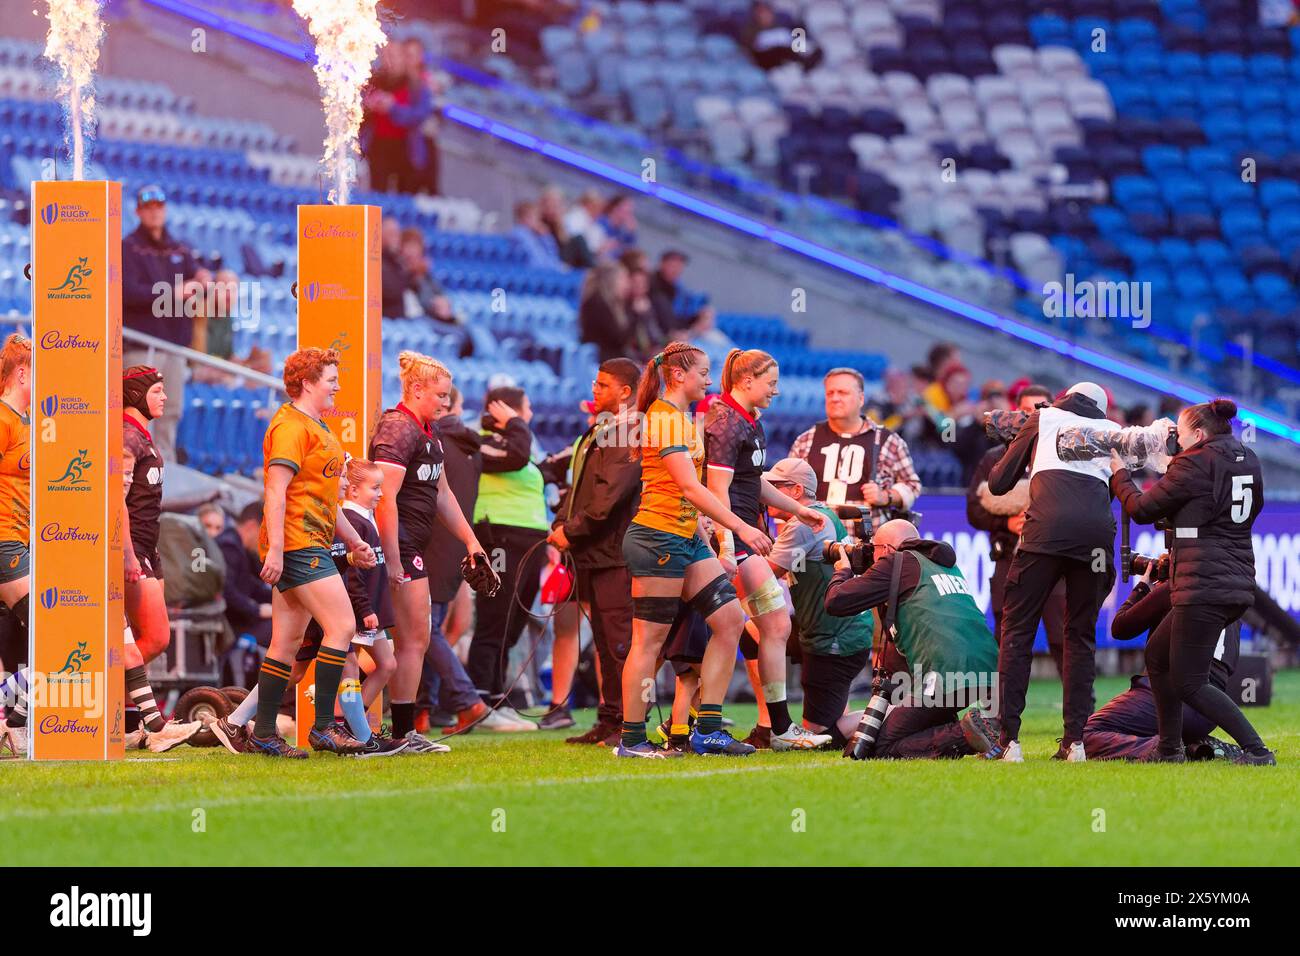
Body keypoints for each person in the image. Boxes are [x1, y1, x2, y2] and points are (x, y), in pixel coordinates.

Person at [617, 341, 773, 758]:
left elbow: (688, 496)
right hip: (657, 539)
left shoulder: (683, 417)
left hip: (684, 537)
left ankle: (707, 730)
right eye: (704, 372)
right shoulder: (664, 418)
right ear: (678, 376)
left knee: (729, 621)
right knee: (648, 642)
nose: (710, 379)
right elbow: (689, 487)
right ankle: (631, 739)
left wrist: (708, 543)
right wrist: (739, 527)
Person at [1109, 398, 1275, 765]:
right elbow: (1234, 505)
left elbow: (1140, 509)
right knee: (1157, 655)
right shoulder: (1246, 458)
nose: (1177, 442)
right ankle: (1169, 749)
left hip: (1204, 584)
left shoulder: (1195, 462)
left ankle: (1257, 751)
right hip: (1233, 578)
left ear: (1198, 434)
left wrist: (1119, 472)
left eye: (1181, 436)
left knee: (1188, 680)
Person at [246, 347, 378, 757]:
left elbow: (324, 497)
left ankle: (263, 732)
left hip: (310, 541)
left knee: (285, 643)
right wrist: (278, 551)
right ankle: (323, 728)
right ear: (307, 383)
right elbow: (275, 491)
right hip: (300, 544)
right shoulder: (290, 426)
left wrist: (353, 540)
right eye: (331, 379)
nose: (338, 386)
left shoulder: (316, 424)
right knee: (341, 626)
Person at [703, 349, 831, 750]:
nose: (776, 391)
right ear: (746, 381)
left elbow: (752, 481)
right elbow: (717, 490)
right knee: (744, 628)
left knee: (773, 625)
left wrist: (797, 509)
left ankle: (776, 727)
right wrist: (727, 544)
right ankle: (686, 725)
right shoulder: (724, 421)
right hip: (730, 537)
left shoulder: (747, 420)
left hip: (740, 535)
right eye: (771, 383)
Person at [987, 381, 1120, 762]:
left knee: (1017, 631)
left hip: (1044, 534)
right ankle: (1075, 742)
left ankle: (1007, 741)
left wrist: (1025, 449)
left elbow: (998, 483)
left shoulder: (1042, 418)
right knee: (1079, 637)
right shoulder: (1112, 432)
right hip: (1095, 539)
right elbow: (1112, 492)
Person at [371, 352, 492, 751]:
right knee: (397, 642)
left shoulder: (428, 431)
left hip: (410, 545)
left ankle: (399, 731)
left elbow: (442, 493)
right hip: (397, 545)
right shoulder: (397, 428)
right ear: (417, 389)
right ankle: (352, 725)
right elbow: (383, 498)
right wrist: (391, 558)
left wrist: (471, 540)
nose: (446, 402)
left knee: (414, 640)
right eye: (440, 395)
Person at [824, 519, 1003, 759]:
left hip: (946, 673)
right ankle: (972, 730)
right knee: (921, 725)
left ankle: (966, 734)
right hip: (986, 670)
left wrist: (843, 571)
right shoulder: (943, 565)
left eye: (874, 551)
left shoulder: (896, 561)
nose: (871, 559)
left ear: (886, 550)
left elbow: (836, 601)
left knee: (883, 746)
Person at [546, 358, 642, 744]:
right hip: (598, 550)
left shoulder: (628, 432)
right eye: (595, 382)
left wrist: (571, 531)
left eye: (603, 385)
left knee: (619, 641)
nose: (594, 389)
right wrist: (564, 523)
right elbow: (591, 492)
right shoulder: (608, 430)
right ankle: (610, 718)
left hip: (616, 551)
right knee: (605, 639)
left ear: (625, 392)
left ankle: (628, 723)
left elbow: (610, 496)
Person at [418, 386, 514, 732]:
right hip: (454, 547)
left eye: (446, 400)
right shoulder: (470, 445)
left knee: (427, 629)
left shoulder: (435, 440)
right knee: (433, 628)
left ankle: (467, 701)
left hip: (430, 546)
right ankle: (424, 711)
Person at [1083, 559, 1245, 762]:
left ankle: (1171, 747)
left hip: (1166, 698)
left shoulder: (1179, 587)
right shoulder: (1234, 600)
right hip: (1211, 710)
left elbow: (1120, 627)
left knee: (1084, 736)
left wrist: (1143, 587)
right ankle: (1195, 743)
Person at [119, 365, 203, 752]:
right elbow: (115, 502)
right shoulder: (124, 436)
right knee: (154, 637)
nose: (165, 397)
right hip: (131, 548)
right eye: (157, 390)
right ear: (136, 395)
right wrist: (129, 555)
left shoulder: (142, 437)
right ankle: (146, 724)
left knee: (149, 640)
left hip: (147, 547)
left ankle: (126, 722)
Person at [762, 458, 872, 747]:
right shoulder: (821, 515)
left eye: (774, 487)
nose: (766, 493)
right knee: (754, 635)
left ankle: (890, 715)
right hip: (836, 629)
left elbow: (765, 575)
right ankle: (768, 723)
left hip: (834, 638)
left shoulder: (802, 524)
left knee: (822, 735)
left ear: (796, 491)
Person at [965, 383, 1066, 672]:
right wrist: (1005, 522)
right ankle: (1001, 711)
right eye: (1025, 411)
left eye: (1041, 410)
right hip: (1009, 558)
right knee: (1008, 639)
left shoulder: (1066, 454)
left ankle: (1082, 714)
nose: (1033, 417)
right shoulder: (994, 458)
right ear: (1013, 413)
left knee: (1063, 638)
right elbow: (973, 510)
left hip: (1056, 560)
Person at [467, 386, 549, 723]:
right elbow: (514, 457)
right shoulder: (482, 440)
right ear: (505, 410)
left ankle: (497, 694)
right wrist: (516, 423)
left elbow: (541, 467)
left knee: (515, 617)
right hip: (498, 535)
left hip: (528, 539)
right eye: (523, 409)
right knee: (495, 613)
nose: (527, 415)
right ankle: (478, 698)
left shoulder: (520, 442)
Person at [121, 184, 208, 463]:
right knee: (136, 411)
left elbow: (198, 279)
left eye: (158, 206)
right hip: (141, 345)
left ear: (165, 209)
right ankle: (132, 466)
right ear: (138, 211)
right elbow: (128, 292)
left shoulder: (179, 248)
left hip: (173, 345)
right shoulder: (129, 248)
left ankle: (165, 469)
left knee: (170, 410)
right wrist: (172, 292)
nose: (154, 212)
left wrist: (204, 281)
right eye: (148, 207)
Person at [789, 367, 923, 528]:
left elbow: (912, 485)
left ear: (861, 399)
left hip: (869, 546)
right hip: (816, 545)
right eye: (830, 393)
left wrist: (886, 496)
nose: (835, 398)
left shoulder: (888, 441)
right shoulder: (805, 441)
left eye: (843, 393)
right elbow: (787, 492)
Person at [0, 335, 32, 754]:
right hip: (4, 540)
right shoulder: (4, 419)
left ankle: (16, 721)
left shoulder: (26, 422)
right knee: (49, 630)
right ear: (22, 373)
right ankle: (19, 719)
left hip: (20, 540)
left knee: (21, 641)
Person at [217, 500, 273, 648]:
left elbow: (250, 585)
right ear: (251, 527)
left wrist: (280, 599)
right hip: (232, 629)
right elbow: (226, 592)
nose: (266, 541)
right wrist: (257, 610)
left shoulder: (238, 547)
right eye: (265, 533)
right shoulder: (229, 546)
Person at [578, 260, 632, 363]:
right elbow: (619, 339)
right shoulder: (596, 304)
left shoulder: (610, 304)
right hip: (600, 363)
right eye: (622, 279)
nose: (627, 284)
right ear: (611, 280)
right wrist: (635, 313)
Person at [511, 201, 565, 269]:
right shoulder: (519, 233)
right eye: (534, 217)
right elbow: (536, 261)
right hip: (531, 272)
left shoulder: (535, 235)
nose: (537, 221)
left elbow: (553, 256)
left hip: (543, 271)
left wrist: (545, 236)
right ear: (524, 218)